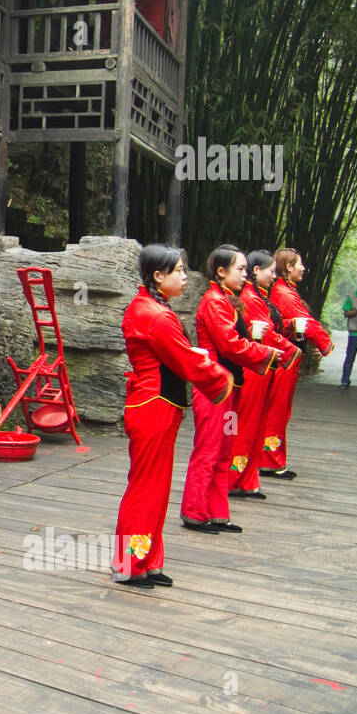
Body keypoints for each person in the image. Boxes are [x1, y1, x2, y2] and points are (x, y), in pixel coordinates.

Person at [114, 245, 232, 589]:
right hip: (154, 405)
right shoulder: (156, 315)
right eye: (179, 270)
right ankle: (128, 563)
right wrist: (221, 378)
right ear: (158, 276)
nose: (184, 276)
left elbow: (176, 355)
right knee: (145, 489)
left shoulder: (148, 307)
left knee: (156, 488)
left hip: (154, 404)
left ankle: (147, 560)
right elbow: (185, 360)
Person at [180, 246, 280, 534]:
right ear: (221, 271)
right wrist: (268, 354)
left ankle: (218, 512)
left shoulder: (227, 299)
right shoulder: (213, 301)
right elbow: (230, 345)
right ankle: (195, 512)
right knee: (209, 450)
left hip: (230, 389)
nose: (245, 275)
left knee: (224, 449)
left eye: (246, 269)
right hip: (213, 389)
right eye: (240, 269)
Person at [228, 250, 300, 500]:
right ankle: (234, 478)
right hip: (251, 369)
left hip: (262, 366)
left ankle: (247, 479)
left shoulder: (260, 295)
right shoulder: (248, 296)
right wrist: (291, 350)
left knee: (256, 425)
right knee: (243, 426)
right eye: (270, 269)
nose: (274, 274)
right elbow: (265, 333)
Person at [261, 248, 334, 480]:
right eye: (299, 264)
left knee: (279, 410)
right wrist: (325, 343)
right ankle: (270, 461)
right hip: (285, 357)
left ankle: (270, 458)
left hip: (287, 356)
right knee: (277, 411)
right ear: (288, 267)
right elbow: (308, 324)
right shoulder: (283, 292)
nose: (303, 268)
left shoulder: (285, 291)